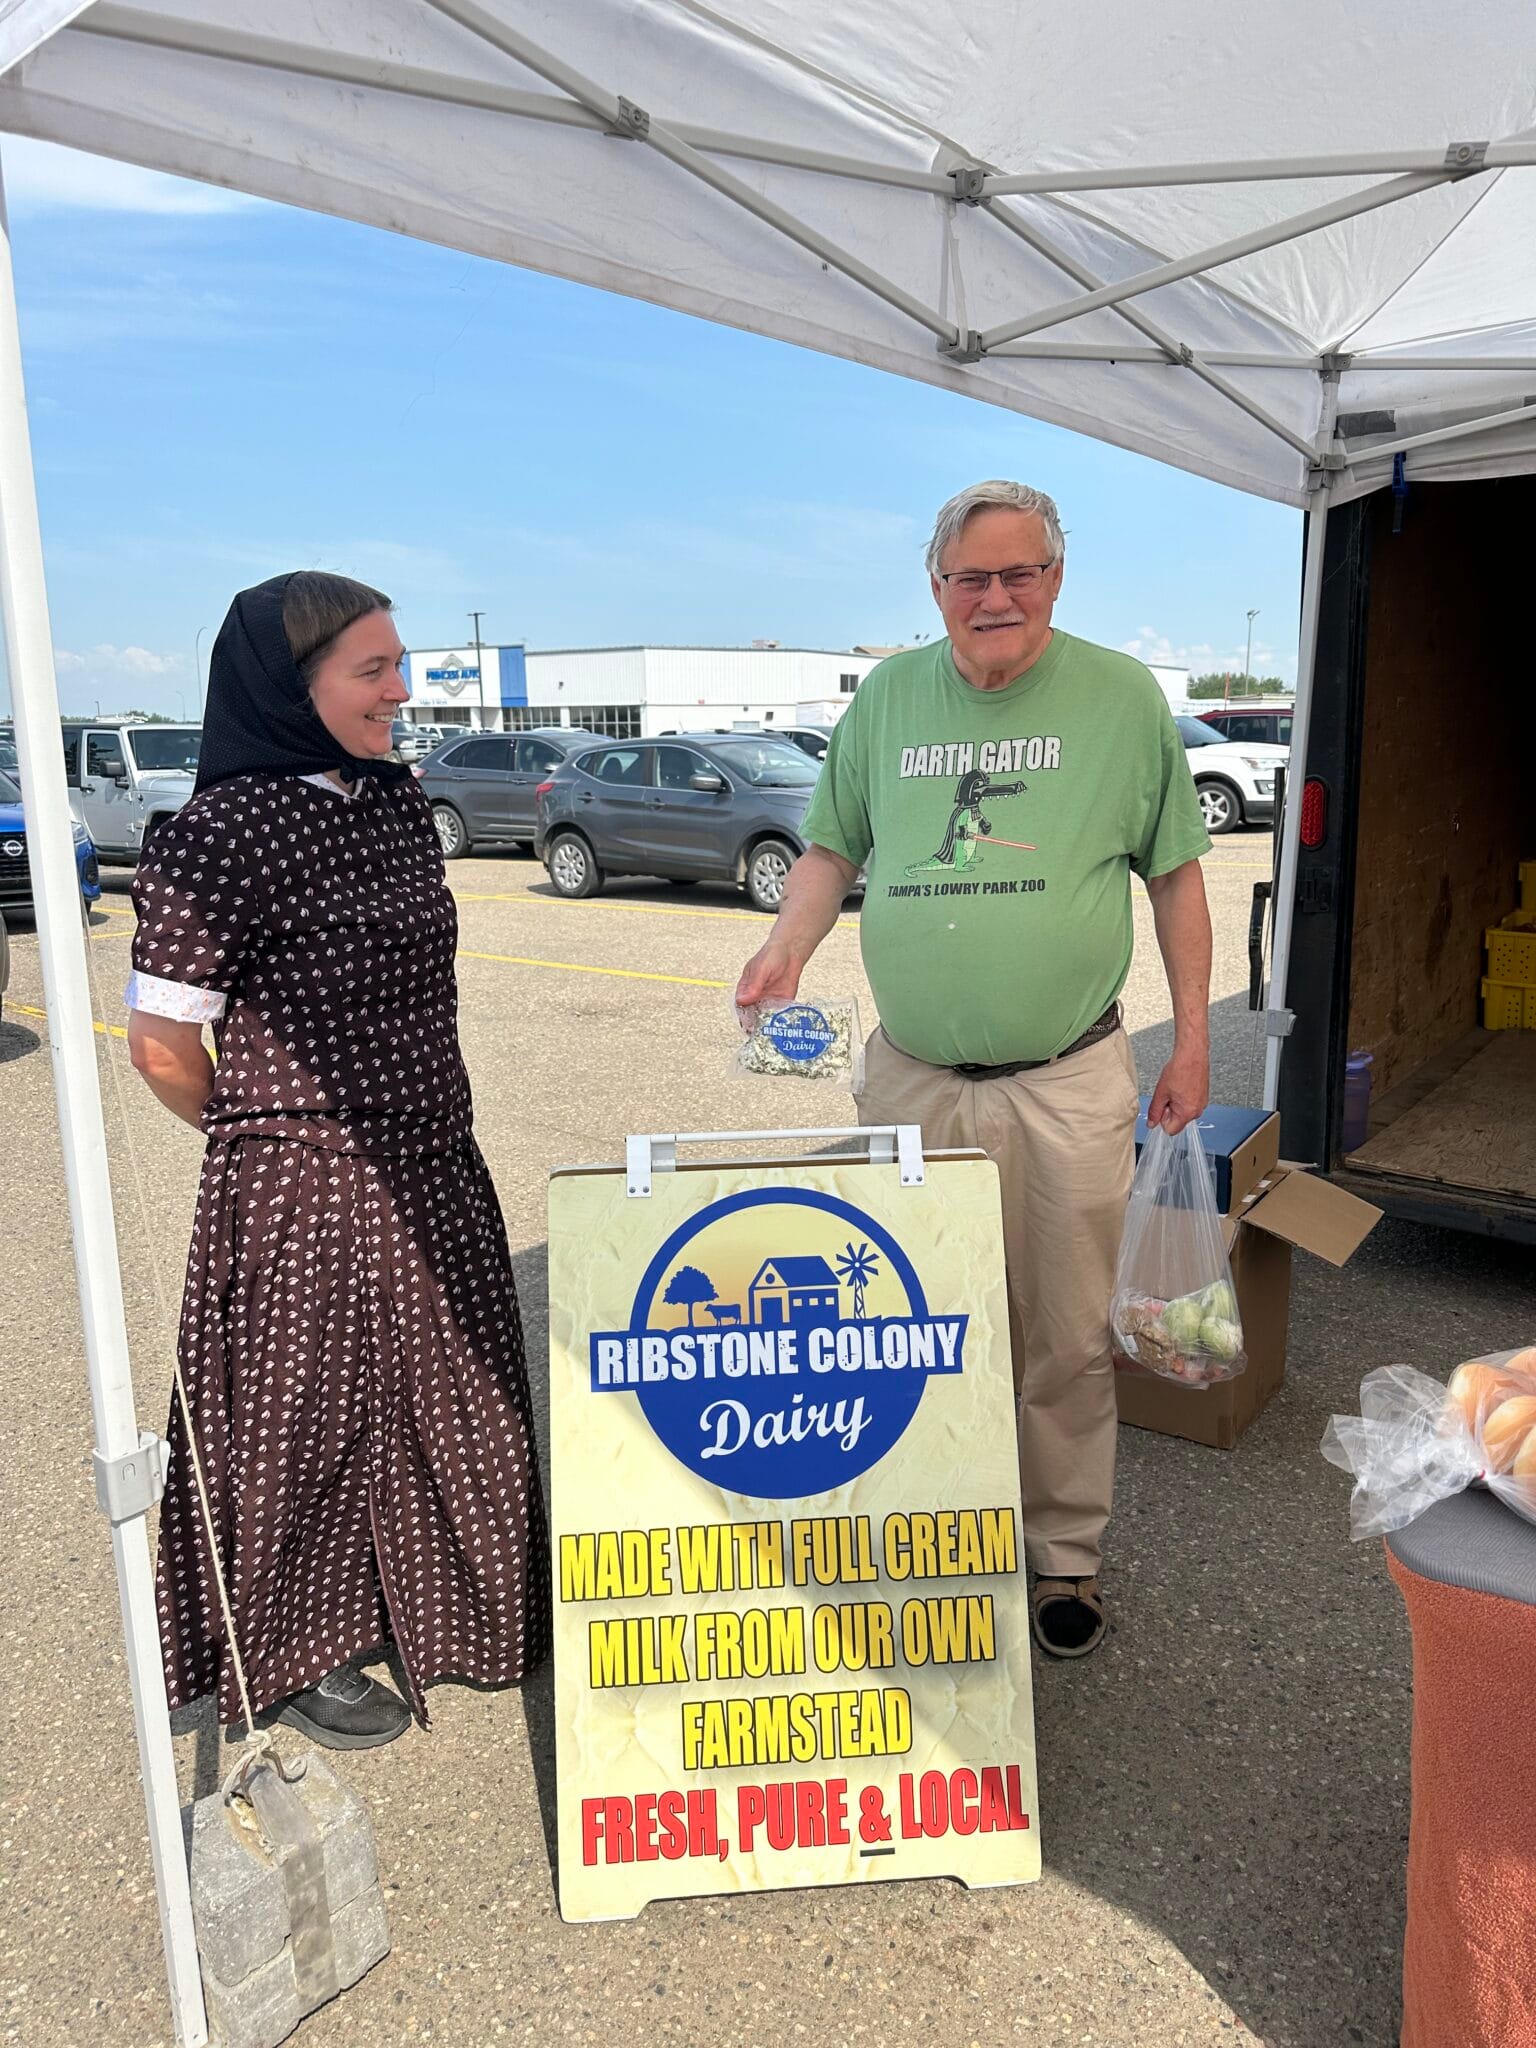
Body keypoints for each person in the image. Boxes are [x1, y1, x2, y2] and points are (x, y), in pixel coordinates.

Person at [736, 480, 1212, 1660]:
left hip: (1068, 1074)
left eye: (1020, 573)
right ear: (935, 586)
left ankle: (1063, 1557)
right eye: (971, 577)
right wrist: (786, 942)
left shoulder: (1119, 698)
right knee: (909, 1318)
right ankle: (930, 1526)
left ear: (1056, 575)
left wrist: (1195, 1031)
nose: (995, 597)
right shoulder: (891, 697)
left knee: (1059, 1329)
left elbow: (1178, 873)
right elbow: (833, 844)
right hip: (911, 1077)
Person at [126, 572, 550, 1747]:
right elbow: (160, 1048)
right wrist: (275, 1134)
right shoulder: (215, 835)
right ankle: (290, 1649)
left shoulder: (393, 800)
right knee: (299, 1426)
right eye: (373, 670)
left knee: (455, 1395)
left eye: (399, 663)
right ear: (291, 683)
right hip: (301, 1181)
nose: (400, 690)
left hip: (430, 1150)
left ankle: (465, 1610)